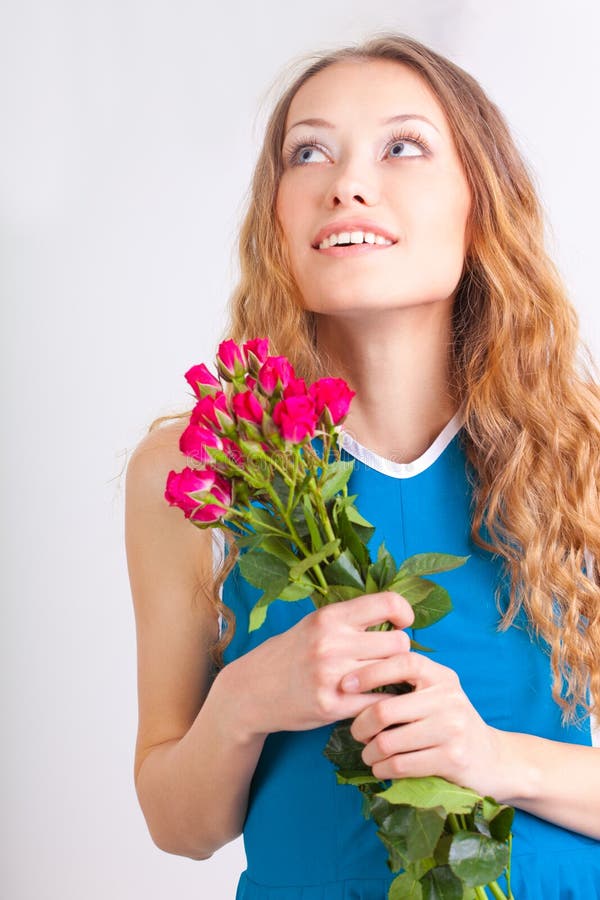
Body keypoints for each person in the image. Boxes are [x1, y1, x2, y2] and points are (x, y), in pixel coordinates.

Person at [124, 31, 600, 899]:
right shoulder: (198, 471)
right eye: (308, 152)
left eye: (402, 146)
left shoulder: (583, 456)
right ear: (277, 218)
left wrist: (493, 760)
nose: (346, 183)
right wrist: (244, 702)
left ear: (479, 202)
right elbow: (178, 826)